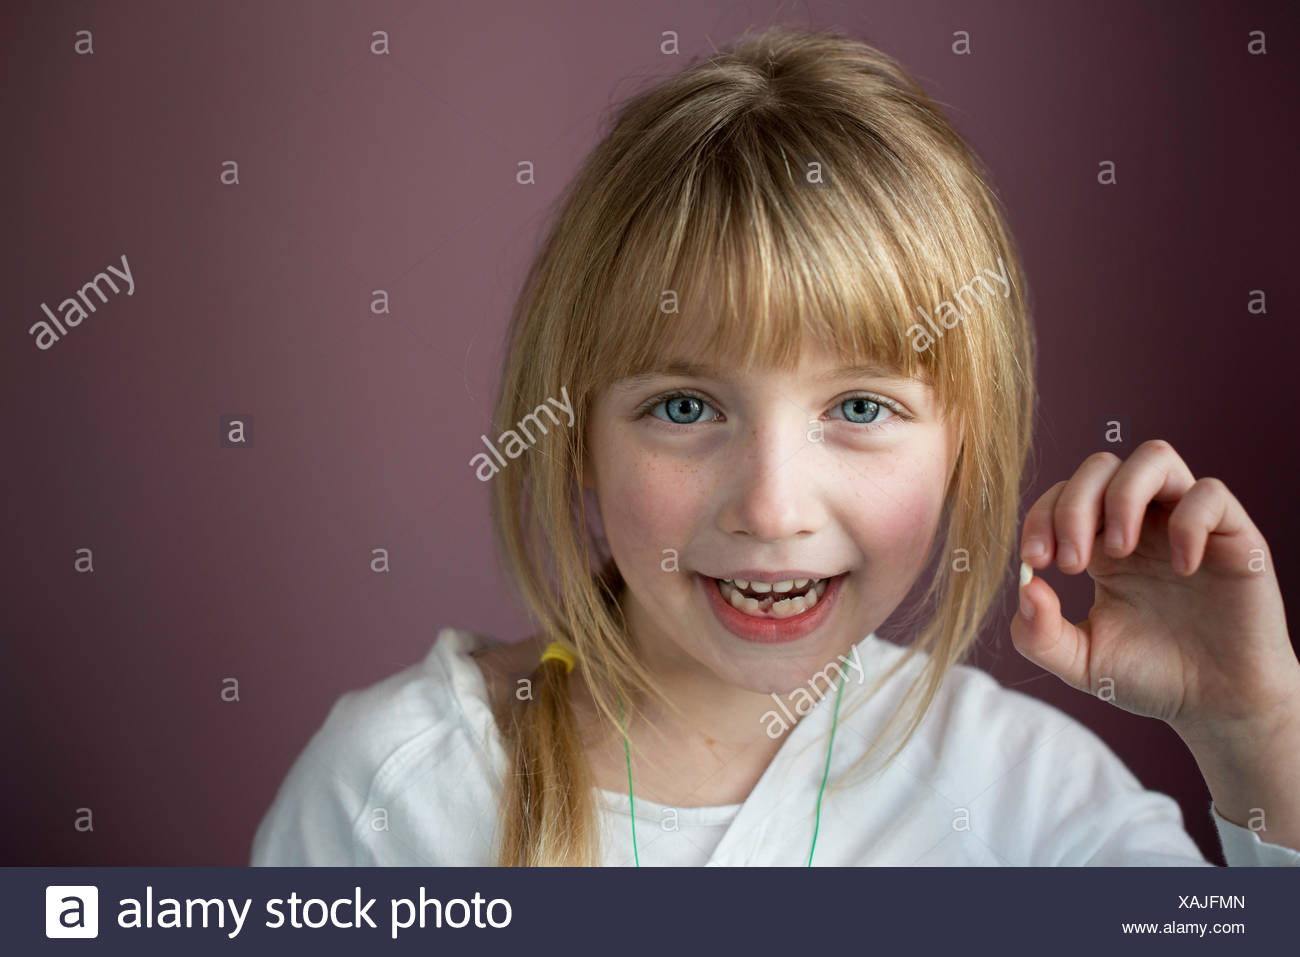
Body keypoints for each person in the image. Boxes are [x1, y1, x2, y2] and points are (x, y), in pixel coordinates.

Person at [250, 24, 1300, 867]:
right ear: (571, 434)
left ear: (961, 446)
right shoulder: (396, 793)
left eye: (858, 409)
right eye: (685, 408)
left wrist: (1256, 742)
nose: (770, 506)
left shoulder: (1032, 805)